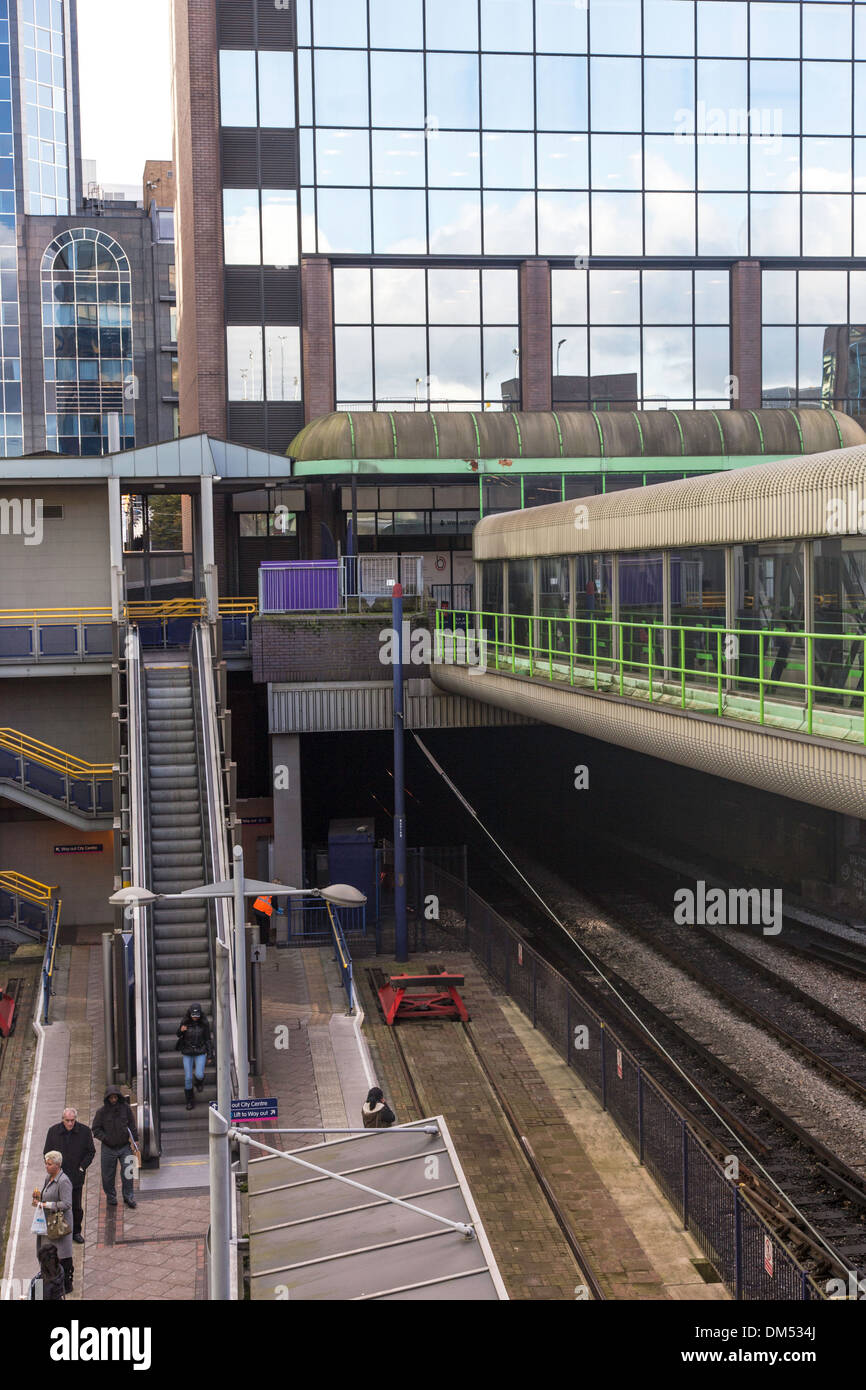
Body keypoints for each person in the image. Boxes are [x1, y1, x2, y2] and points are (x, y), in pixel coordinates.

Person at [44, 1107, 95, 1245]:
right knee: (56, 1205)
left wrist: (81, 1167)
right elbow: (47, 1153)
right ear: (63, 1120)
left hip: (76, 1177)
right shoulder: (53, 1132)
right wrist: (53, 1170)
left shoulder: (84, 1131)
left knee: (76, 1207)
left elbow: (91, 1151)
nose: (70, 1124)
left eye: (72, 1120)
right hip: (57, 1177)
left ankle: (76, 1232)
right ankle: (57, 1230)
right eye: (67, 1121)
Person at [33, 1151, 74, 1293]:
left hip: (59, 1225)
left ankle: (64, 1285)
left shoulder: (64, 1181)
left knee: (61, 1254)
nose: (46, 1166)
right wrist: (39, 1201)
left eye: (49, 1164)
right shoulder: (48, 1177)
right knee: (48, 1252)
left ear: (57, 1165)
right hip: (49, 1223)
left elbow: (67, 1203)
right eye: (46, 1163)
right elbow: (46, 1195)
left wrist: (47, 1205)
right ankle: (51, 1281)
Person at [91, 1086, 138, 1209]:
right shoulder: (101, 1112)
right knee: (107, 1175)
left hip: (125, 1146)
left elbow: (132, 1124)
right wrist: (106, 1138)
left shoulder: (126, 1109)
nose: (113, 1099)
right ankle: (111, 1196)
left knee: (129, 1171)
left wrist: (135, 1140)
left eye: (115, 1097)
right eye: (111, 1097)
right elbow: (95, 1129)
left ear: (118, 1097)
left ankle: (129, 1196)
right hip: (108, 1148)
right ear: (107, 1098)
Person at [176, 1003, 213, 1111]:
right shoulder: (185, 1022)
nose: (195, 1017)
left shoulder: (204, 1023)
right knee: (188, 1077)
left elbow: (207, 1039)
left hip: (200, 1050)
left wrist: (210, 1054)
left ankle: (199, 1082)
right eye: (193, 1015)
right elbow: (178, 1034)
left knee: (199, 1074)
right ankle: (189, 1100)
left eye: (197, 1015)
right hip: (187, 1051)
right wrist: (180, 1030)